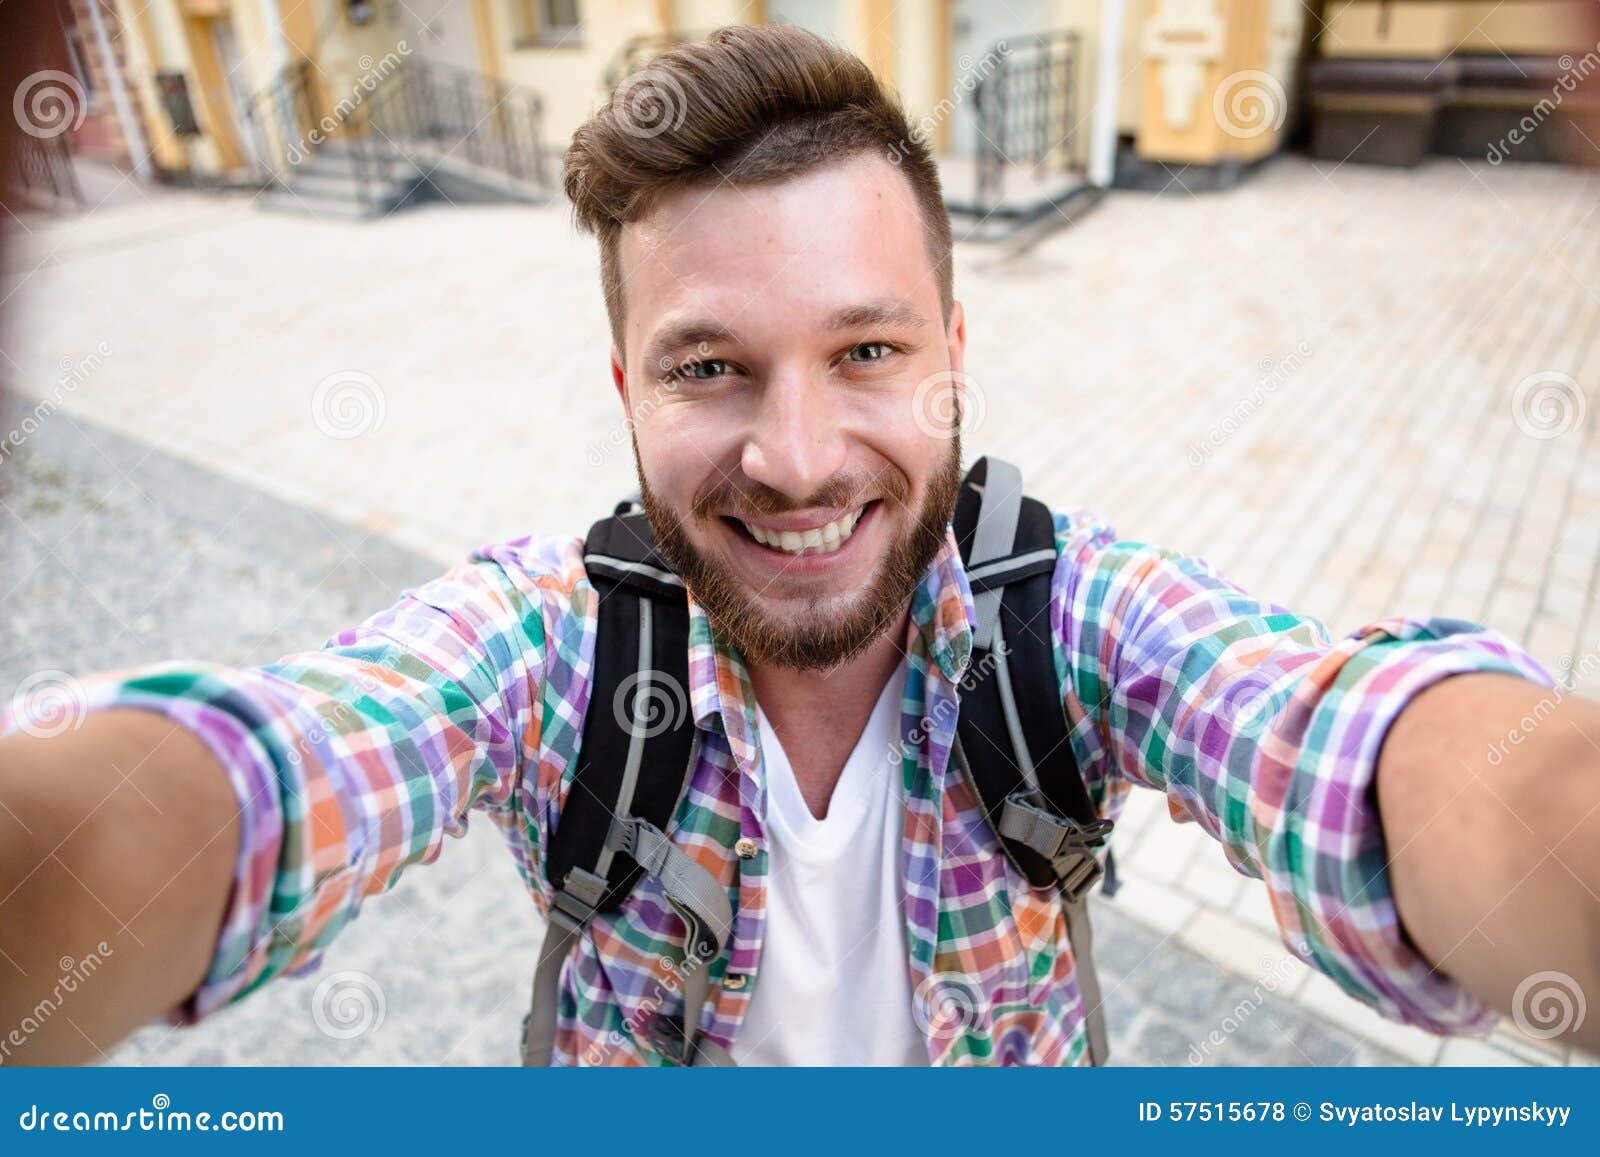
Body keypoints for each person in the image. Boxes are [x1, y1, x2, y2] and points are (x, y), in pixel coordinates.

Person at [2, 24, 1597, 1067]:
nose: (798, 458)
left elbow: (1350, 750)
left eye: (868, 353)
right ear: (626, 389)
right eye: (711, 366)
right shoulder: (557, 642)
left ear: (955, 352)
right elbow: (277, 772)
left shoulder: (1067, 616)